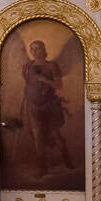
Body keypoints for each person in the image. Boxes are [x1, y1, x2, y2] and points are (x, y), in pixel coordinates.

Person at [21, 39, 73, 172]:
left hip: (50, 105)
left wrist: (44, 80)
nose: (34, 51)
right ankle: (42, 167)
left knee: (56, 134)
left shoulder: (52, 66)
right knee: (37, 135)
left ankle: (68, 162)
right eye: (32, 49)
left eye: (37, 48)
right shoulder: (27, 66)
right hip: (33, 107)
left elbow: (59, 86)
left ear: (43, 50)